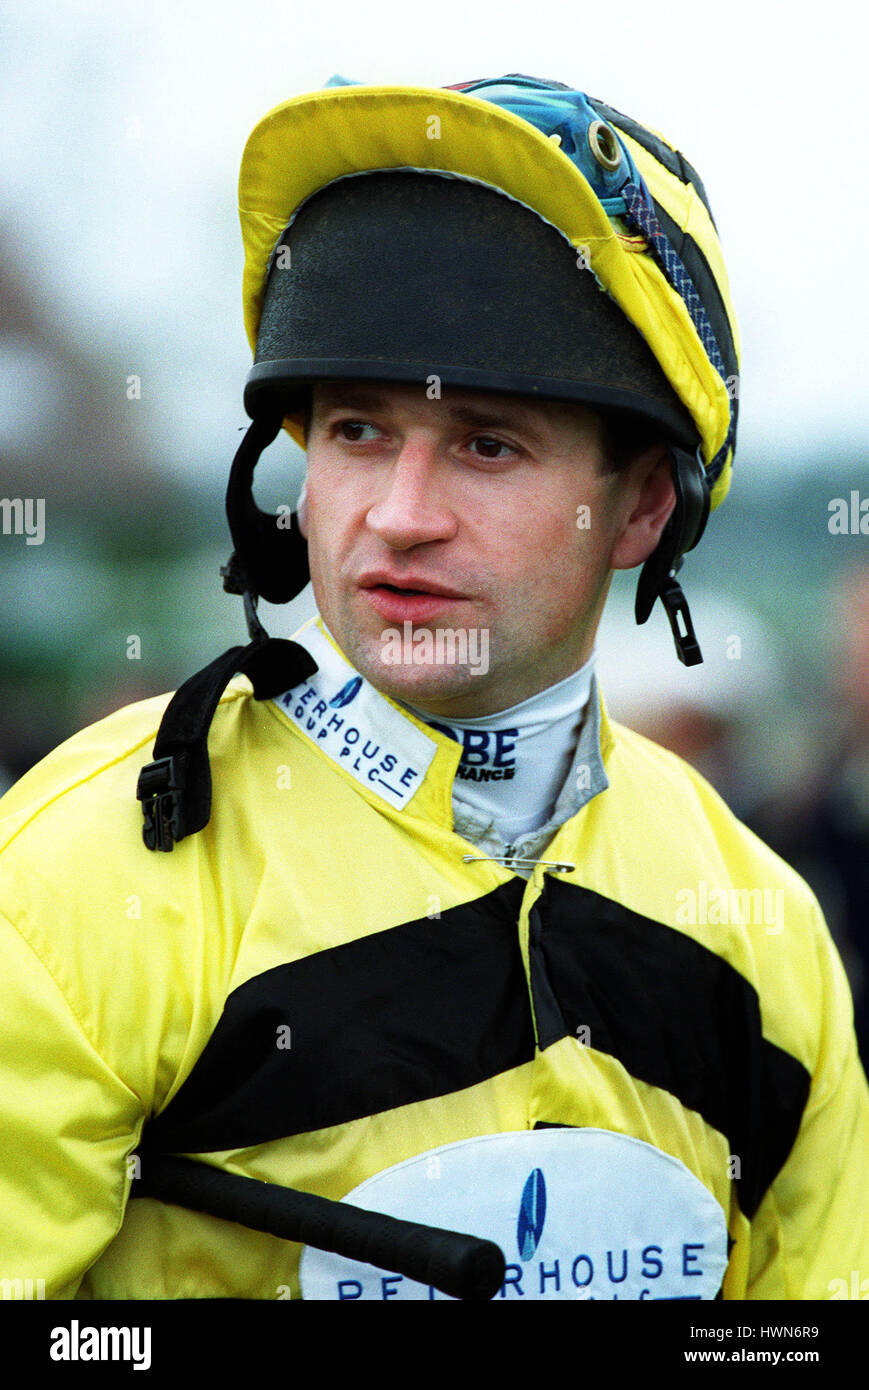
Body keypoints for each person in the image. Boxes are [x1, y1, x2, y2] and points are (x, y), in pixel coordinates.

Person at [1, 74, 866, 1302]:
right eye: (354, 431)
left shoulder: (761, 929)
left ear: (641, 508)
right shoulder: (69, 878)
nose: (397, 519)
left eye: (485, 444)